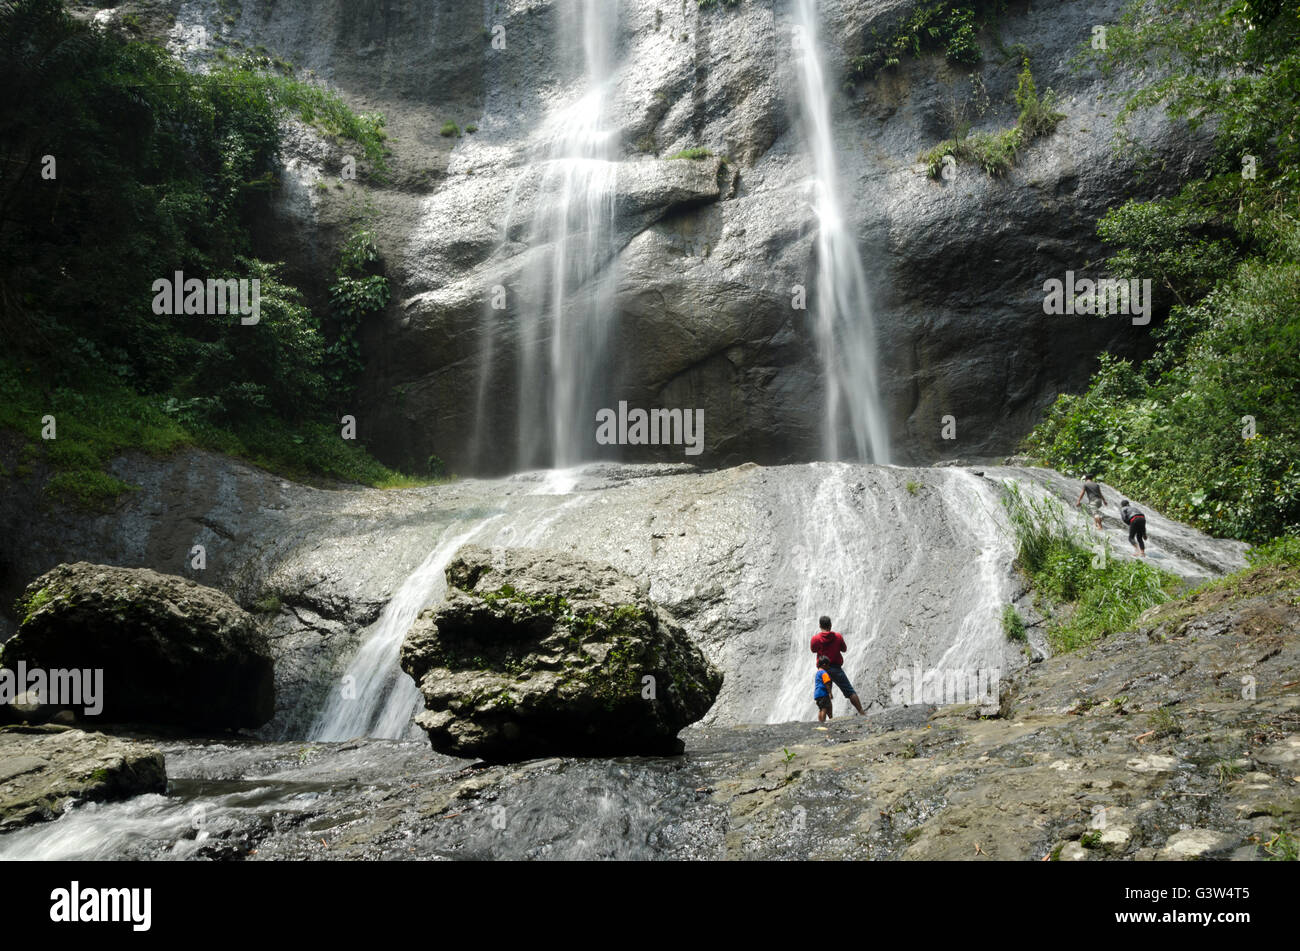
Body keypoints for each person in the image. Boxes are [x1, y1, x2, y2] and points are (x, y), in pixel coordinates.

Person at [810, 616, 865, 715]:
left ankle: (828, 719)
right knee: (849, 691)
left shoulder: (816, 639)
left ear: (820, 626)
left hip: (823, 670)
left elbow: (813, 650)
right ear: (830, 625)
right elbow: (844, 649)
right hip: (836, 668)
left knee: (825, 695)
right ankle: (862, 712)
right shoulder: (837, 636)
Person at [814, 654, 834, 722]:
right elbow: (827, 683)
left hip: (817, 694)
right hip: (823, 693)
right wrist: (830, 693)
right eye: (828, 665)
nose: (829, 667)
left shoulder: (818, 673)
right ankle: (823, 722)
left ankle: (820, 722)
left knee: (821, 709)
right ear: (824, 665)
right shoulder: (824, 673)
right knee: (824, 708)